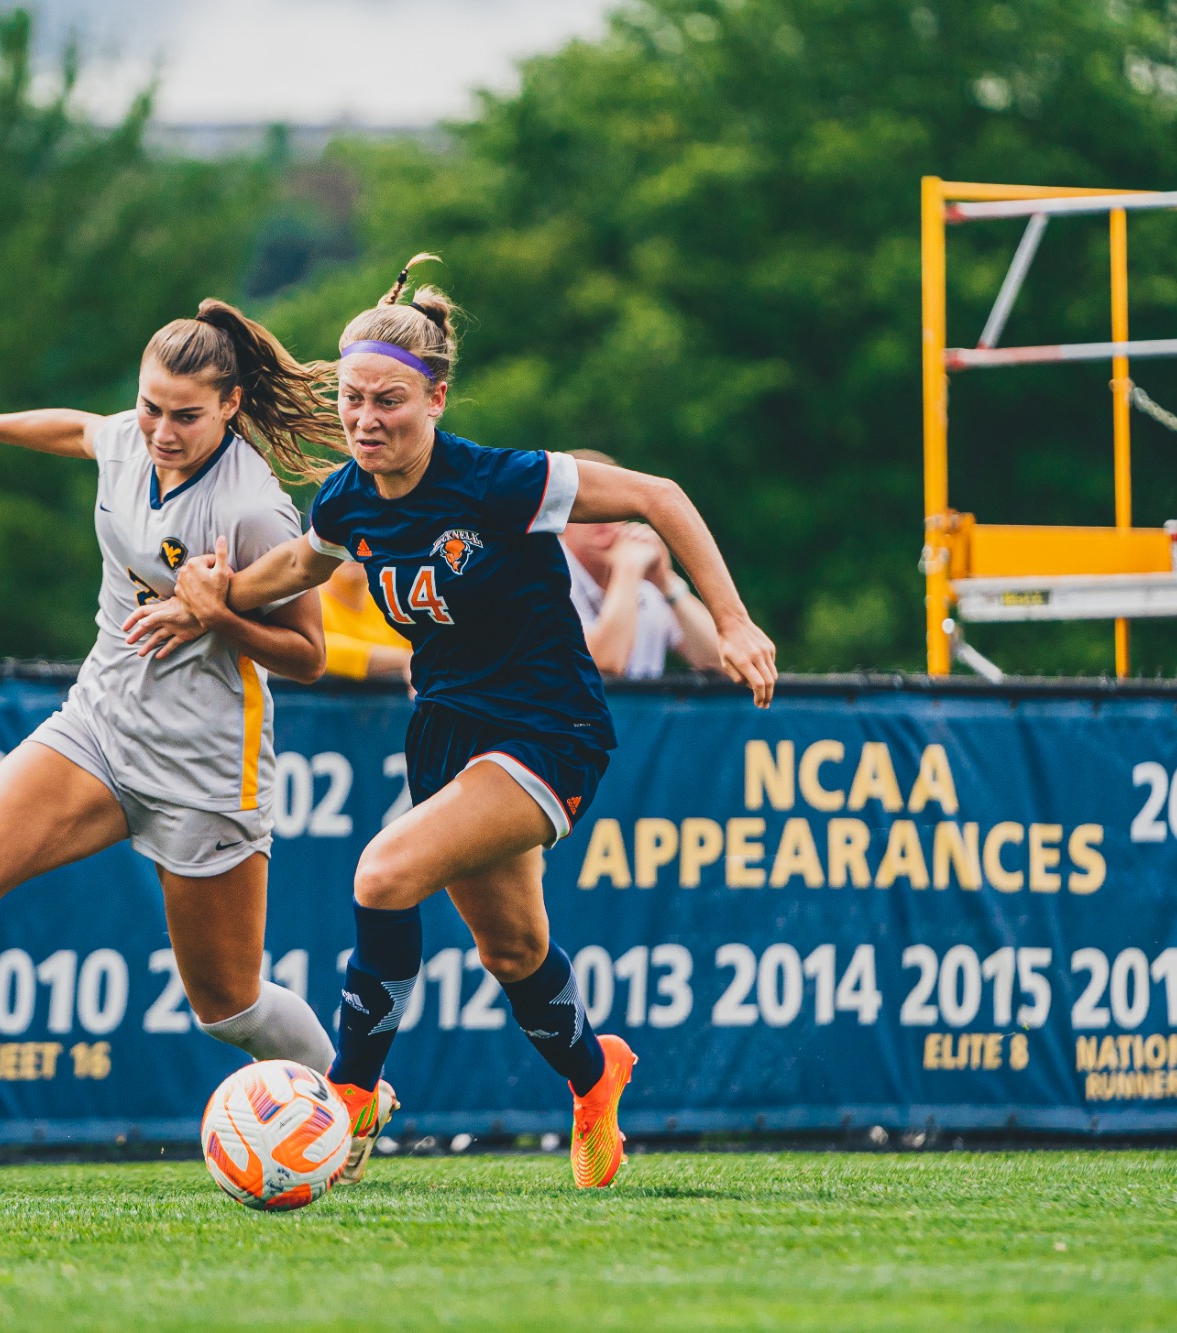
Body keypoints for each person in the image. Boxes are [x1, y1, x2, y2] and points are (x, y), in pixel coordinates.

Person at [128, 255, 776, 1189]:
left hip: (548, 728)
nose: (365, 419)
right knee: (512, 950)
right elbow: (301, 569)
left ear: (436, 398)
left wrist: (733, 619)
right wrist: (212, 600)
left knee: (383, 873)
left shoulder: (502, 482)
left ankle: (348, 1099)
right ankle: (599, 1081)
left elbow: (659, 497)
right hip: (446, 730)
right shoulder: (349, 495)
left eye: (388, 399)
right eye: (352, 399)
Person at [0, 300, 344, 1161]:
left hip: (206, 767)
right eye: (151, 405)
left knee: (228, 1006)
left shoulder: (254, 508)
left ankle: (343, 1101)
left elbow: (308, 655)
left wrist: (215, 615)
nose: (159, 430)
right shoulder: (131, 438)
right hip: (100, 724)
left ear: (230, 407)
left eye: (185, 415)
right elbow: (78, 429)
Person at [559, 449, 722, 679]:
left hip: (639, 716)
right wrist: (627, 571)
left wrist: (665, 582)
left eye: (612, 499)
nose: (602, 513)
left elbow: (722, 662)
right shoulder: (541, 574)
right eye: (587, 504)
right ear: (559, 515)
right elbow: (606, 664)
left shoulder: (642, 570)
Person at [320, 561, 413, 682]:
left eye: (365, 546)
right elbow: (317, 649)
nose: (353, 556)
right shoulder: (307, 602)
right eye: (343, 546)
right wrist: (402, 659)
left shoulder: (391, 603)